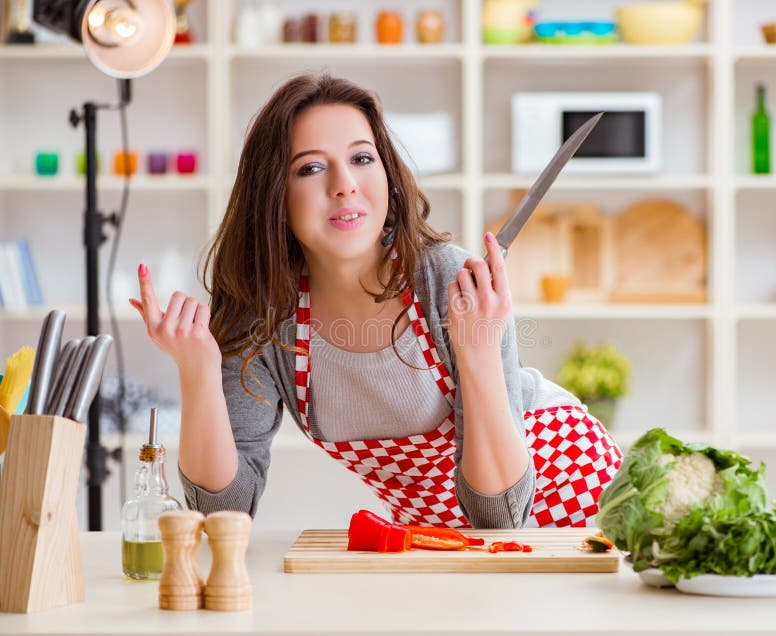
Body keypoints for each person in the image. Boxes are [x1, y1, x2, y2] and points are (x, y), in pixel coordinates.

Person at [130, 73, 622, 529]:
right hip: (448, 534)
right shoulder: (262, 317)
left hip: (571, 486)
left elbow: (500, 513)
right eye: (311, 167)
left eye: (362, 158)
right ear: (274, 195)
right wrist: (197, 372)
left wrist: (477, 350)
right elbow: (224, 512)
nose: (344, 183)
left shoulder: (444, 279)